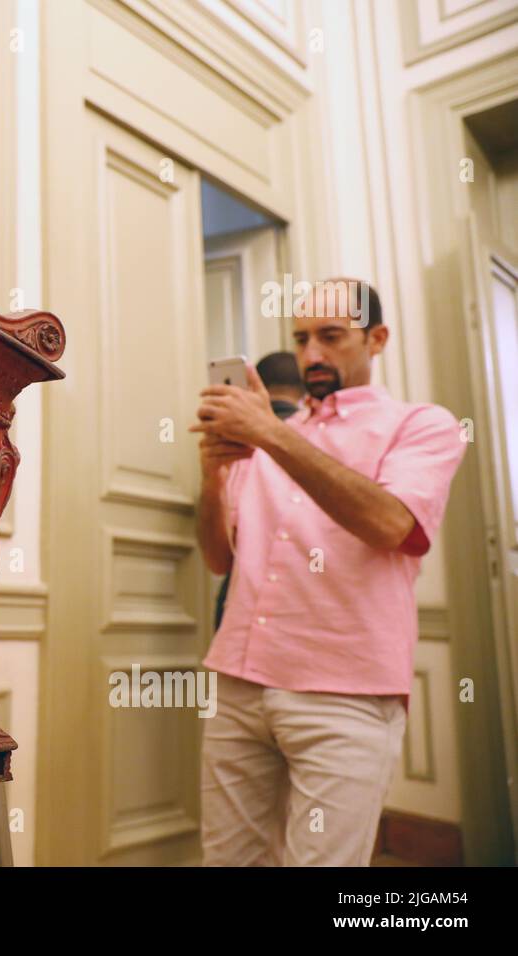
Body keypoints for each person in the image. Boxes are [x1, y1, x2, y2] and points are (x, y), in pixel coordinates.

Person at [190, 278, 467, 866]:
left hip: (345, 695)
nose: (311, 355)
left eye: (331, 337)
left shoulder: (423, 425)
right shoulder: (272, 437)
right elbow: (219, 558)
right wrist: (212, 476)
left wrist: (269, 434)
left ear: (377, 339)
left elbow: (390, 524)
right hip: (240, 682)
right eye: (301, 338)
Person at [212, 352, 305, 632]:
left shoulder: (233, 442)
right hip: (302, 603)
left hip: (237, 603)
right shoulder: (328, 441)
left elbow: (220, 553)